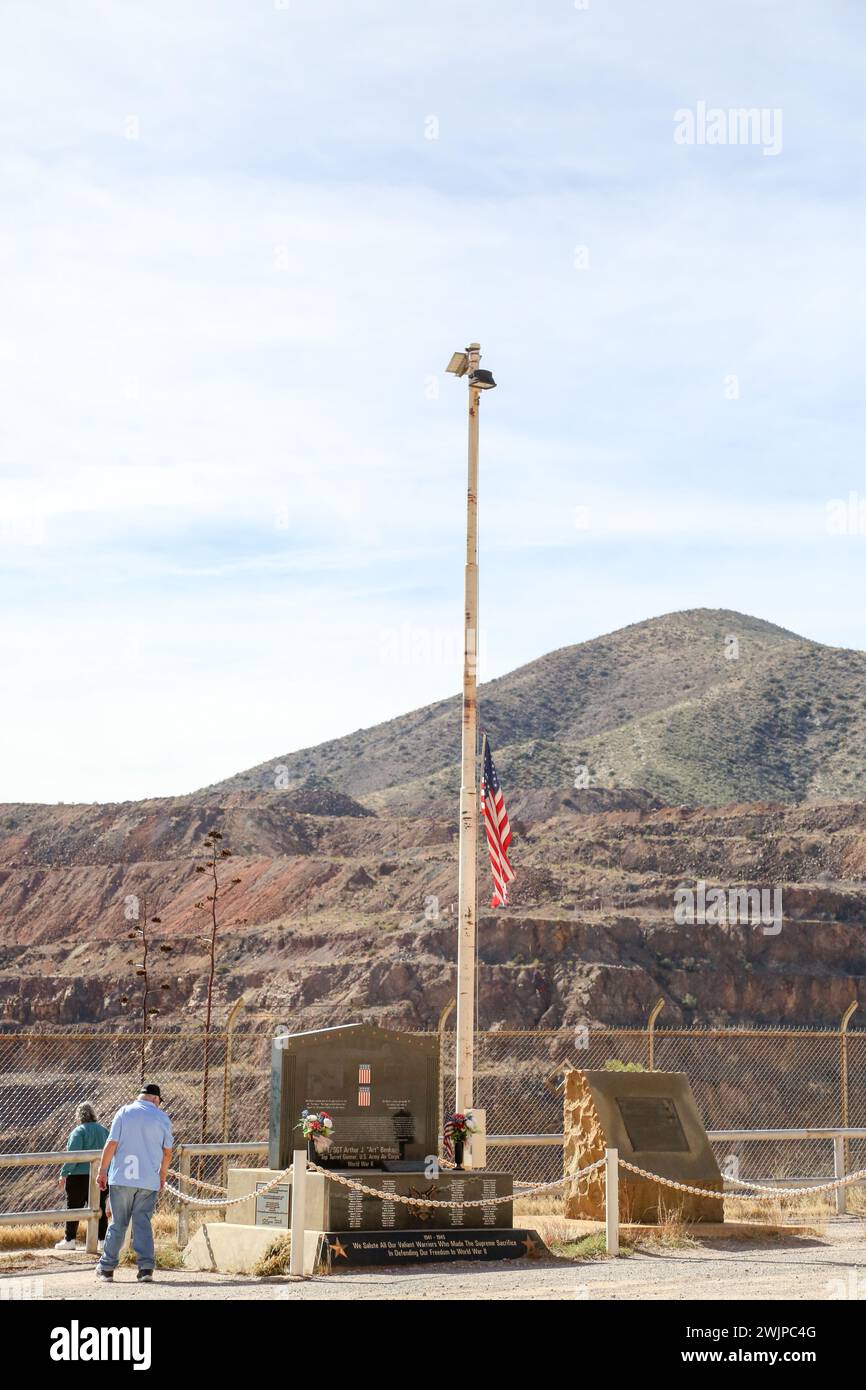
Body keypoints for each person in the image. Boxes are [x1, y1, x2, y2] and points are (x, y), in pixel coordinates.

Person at [94, 1083, 173, 1284]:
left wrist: (103, 1170)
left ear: (140, 1097)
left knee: (118, 1223)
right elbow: (167, 1152)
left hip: (121, 1178)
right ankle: (146, 1269)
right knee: (142, 1223)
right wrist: (162, 1175)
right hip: (148, 1181)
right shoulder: (162, 1118)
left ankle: (106, 1269)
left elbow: (111, 1143)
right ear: (156, 1100)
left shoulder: (124, 1112)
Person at [55, 1102, 109, 1251]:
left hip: (78, 1176)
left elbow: (73, 1156)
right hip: (100, 1175)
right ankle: (102, 1241)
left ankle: (70, 1239)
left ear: (79, 1117)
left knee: (73, 1208)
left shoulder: (78, 1131)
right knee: (100, 1208)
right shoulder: (104, 1131)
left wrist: (64, 1173)